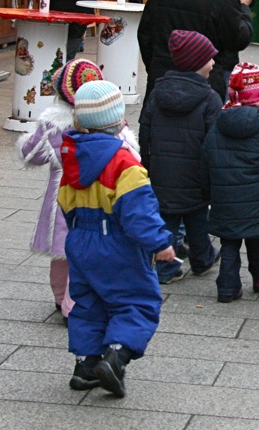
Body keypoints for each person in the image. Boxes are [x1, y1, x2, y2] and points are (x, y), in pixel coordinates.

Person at [59, 80, 175, 398]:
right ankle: (117, 356)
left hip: (81, 239)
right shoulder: (124, 163)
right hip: (116, 242)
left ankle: (85, 366)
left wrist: (80, 232)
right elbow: (139, 212)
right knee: (137, 301)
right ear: (119, 120)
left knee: (89, 304)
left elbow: (64, 202)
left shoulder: (73, 159)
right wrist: (160, 243)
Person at [19, 59, 105, 322]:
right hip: (93, 198)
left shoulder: (53, 124)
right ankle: (73, 305)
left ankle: (60, 297)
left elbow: (31, 155)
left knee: (61, 249)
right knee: (83, 252)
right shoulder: (106, 121)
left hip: (61, 197)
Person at [138, 30, 223, 284]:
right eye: (209, 58)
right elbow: (215, 142)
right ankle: (194, 261)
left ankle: (184, 262)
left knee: (168, 218)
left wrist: (147, 164)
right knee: (196, 217)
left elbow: (145, 130)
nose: (213, 63)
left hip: (162, 172)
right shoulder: (210, 98)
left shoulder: (157, 92)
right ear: (197, 62)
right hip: (197, 174)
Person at [204, 62, 259, 302]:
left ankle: (227, 287)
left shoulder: (219, 125)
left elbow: (206, 154)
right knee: (256, 240)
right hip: (256, 201)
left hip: (224, 200)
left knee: (229, 244)